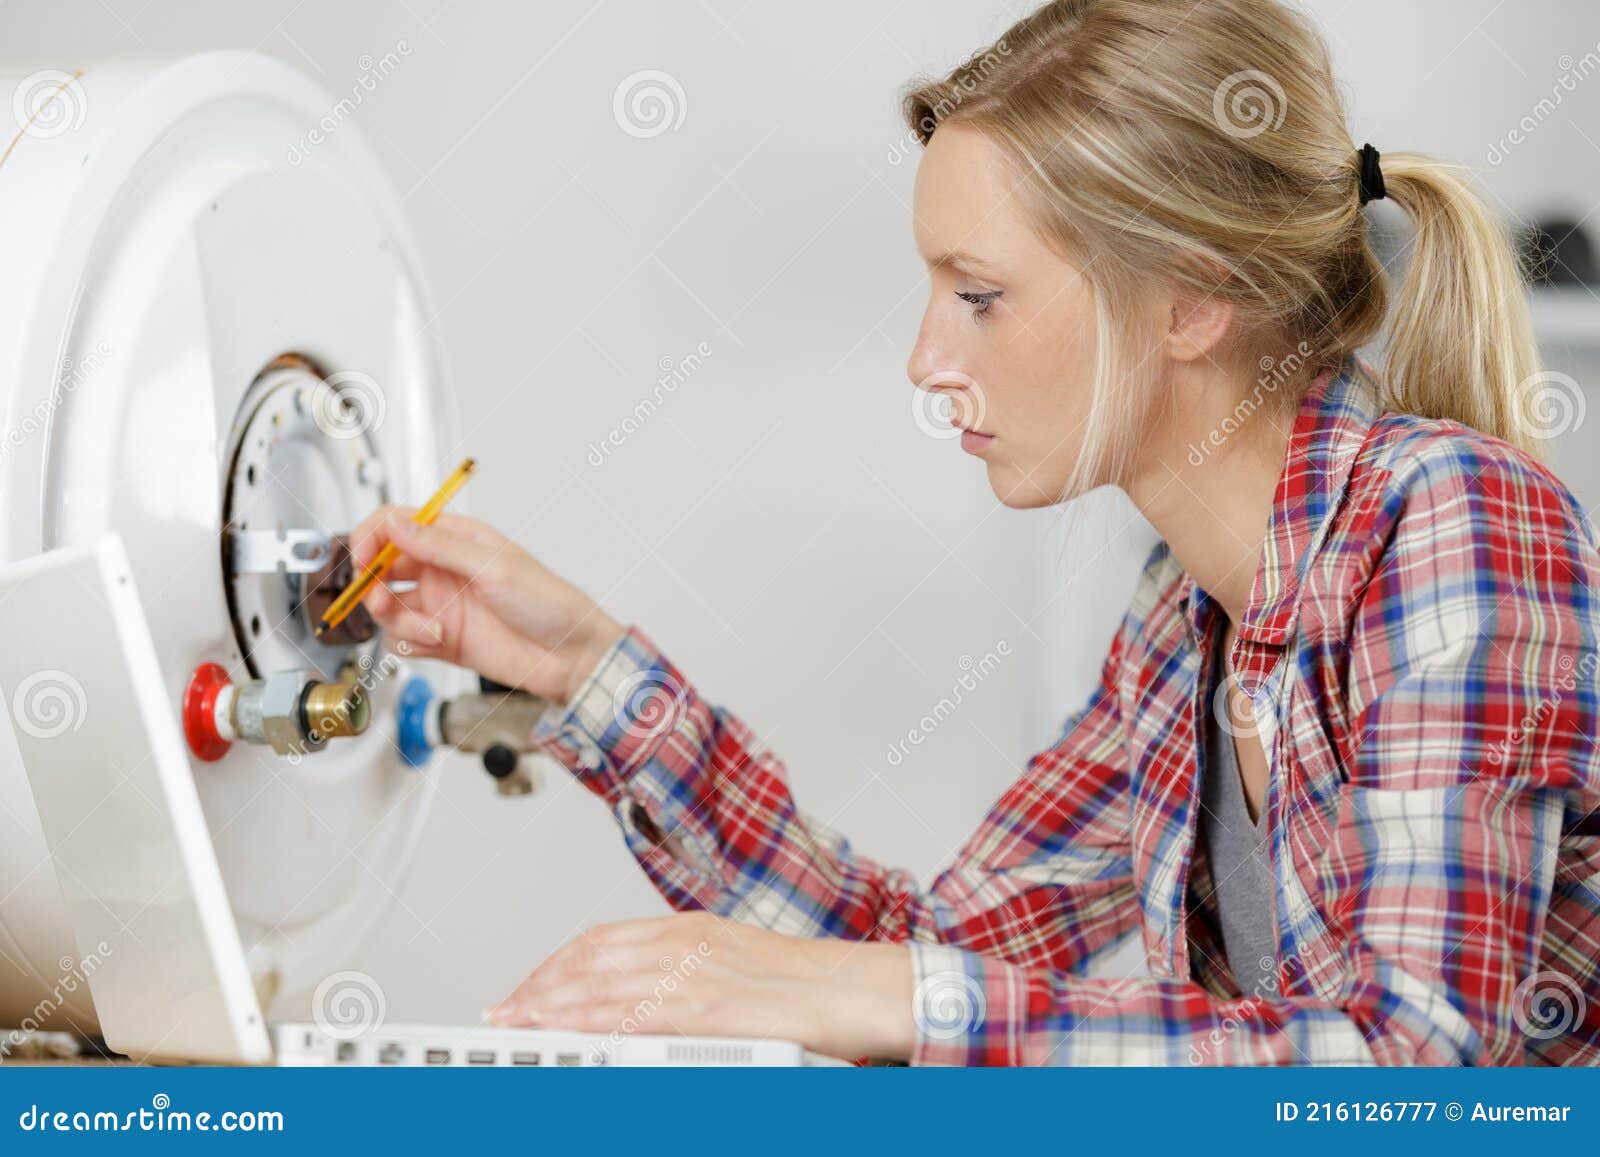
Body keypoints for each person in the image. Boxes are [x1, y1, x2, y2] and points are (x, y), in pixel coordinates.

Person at [350, 0, 1600, 1065]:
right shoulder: (1184, 625)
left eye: (979, 295)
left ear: (1192, 296)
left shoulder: (1449, 519)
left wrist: (877, 994)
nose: (926, 358)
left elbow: (1411, 1061)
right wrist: (588, 673)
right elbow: (934, 960)